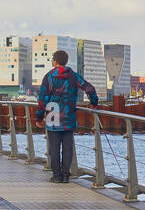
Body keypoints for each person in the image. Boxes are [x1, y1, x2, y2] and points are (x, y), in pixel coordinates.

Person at [34, 49, 99, 183]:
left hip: (53, 114)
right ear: (66, 61)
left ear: (55, 61)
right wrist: (93, 102)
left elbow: (42, 100)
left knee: (54, 148)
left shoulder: (49, 77)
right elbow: (90, 88)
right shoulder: (73, 76)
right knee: (68, 147)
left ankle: (57, 176)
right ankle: (65, 176)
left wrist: (39, 118)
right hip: (68, 114)